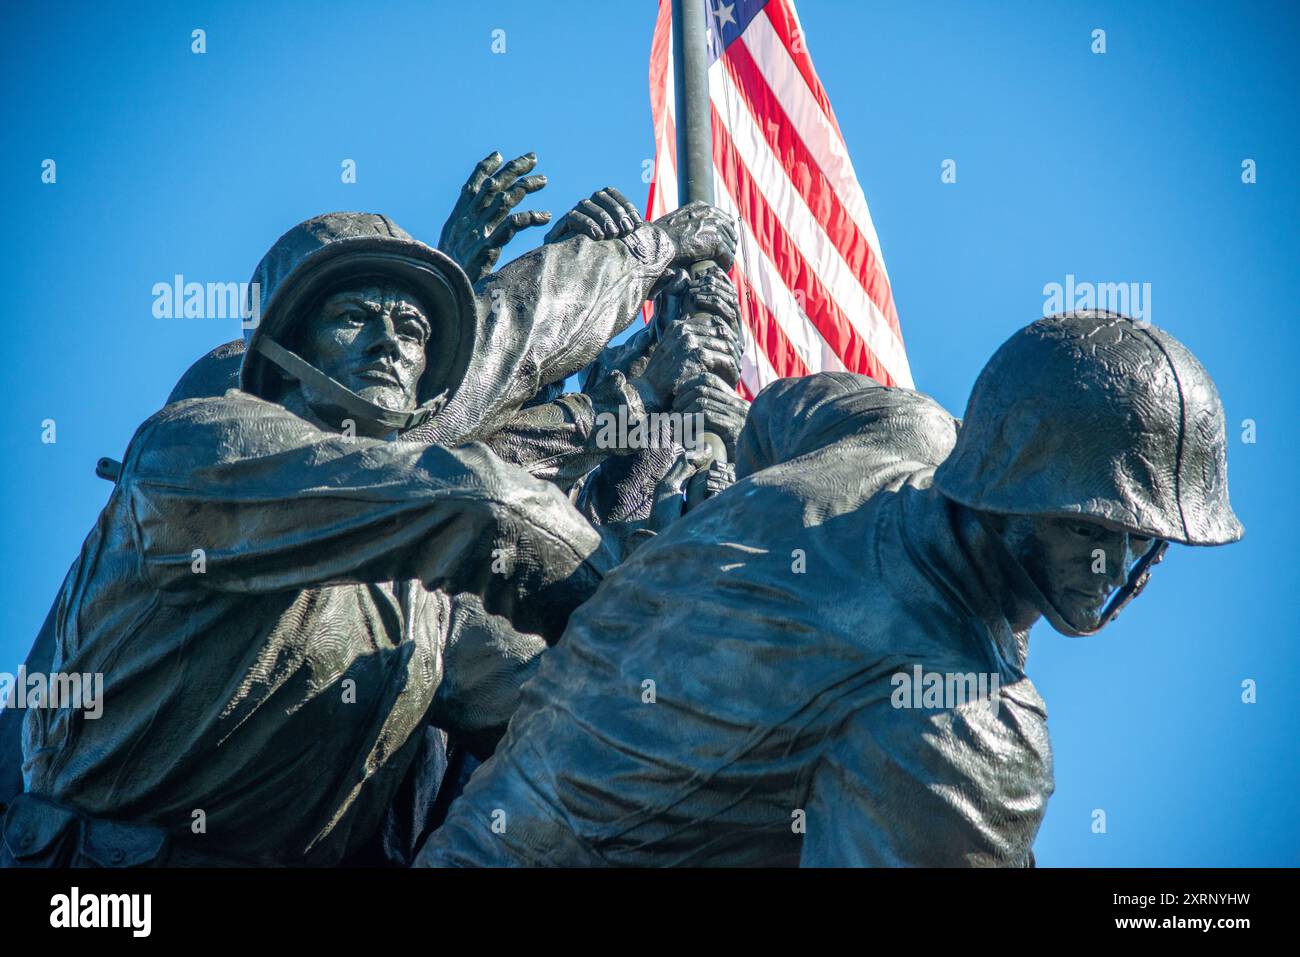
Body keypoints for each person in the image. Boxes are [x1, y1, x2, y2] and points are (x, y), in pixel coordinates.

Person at [3, 191, 740, 867]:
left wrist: (716, 599)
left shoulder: (420, 598)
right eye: (354, 316)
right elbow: (480, 497)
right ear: (286, 348)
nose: (391, 343)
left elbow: (570, 709)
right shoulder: (198, 451)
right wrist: (634, 585)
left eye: (414, 327)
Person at [416, 311, 1243, 867]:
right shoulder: (969, 724)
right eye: (1096, 527)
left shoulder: (899, 426)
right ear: (1011, 495)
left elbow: (770, 418)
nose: (1123, 561)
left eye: (1146, 536)